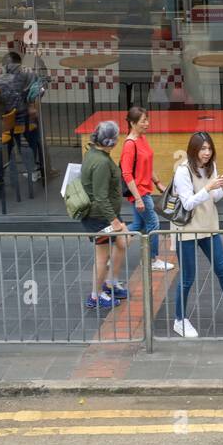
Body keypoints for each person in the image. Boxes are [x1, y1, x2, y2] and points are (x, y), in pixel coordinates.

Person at [168, 131, 223, 337]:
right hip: (188, 229)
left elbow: (214, 198)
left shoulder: (211, 166)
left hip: (208, 225)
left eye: (209, 148)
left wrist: (221, 187)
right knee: (188, 277)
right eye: (202, 149)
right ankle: (179, 320)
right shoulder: (183, 171)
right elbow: (187, 202)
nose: (207, 153)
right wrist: (208, 186)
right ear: (194, 150)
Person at [77, 120, 130, 310]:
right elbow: (100, 196)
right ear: (112, 141)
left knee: (124, 241)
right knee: (102, 257)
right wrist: (114, 220)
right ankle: (96, 295)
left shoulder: (95, 153)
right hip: (100, 217)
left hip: (106, 214)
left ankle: (111, 283)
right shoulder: (100, 162)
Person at [121, 106, 172, 270]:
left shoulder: (142, 139)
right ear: (133, 123)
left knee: (138, 225)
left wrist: (158, 183)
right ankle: (152, 260)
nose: (147, 123)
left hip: (145, 189)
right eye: (143, 121)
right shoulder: (130, 144)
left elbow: (147, 164)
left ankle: (110, 244)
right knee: (154, 224)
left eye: (147, 120)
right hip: (140, 192)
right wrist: (137, 198)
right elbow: (127, 174)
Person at [0, 50, 46, 185]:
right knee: (34, 140)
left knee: (5, 144)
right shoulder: (28, 73)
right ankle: (34, 168)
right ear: (19, 63)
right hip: (27, 121)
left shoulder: (0, 79)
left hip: (8, 122)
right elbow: (41, 88)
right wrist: (32, 105)